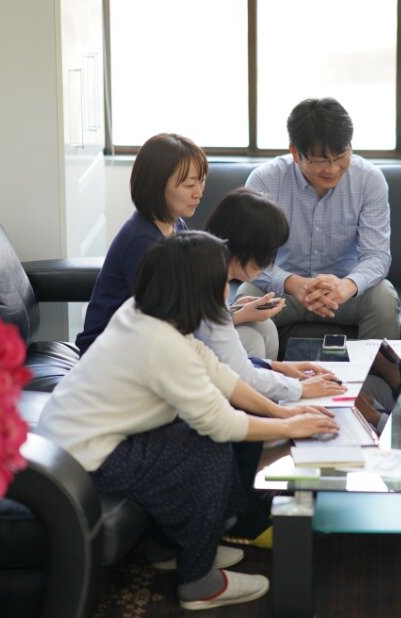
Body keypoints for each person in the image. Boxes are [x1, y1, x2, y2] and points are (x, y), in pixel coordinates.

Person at [38, 231, 339, 611]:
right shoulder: (159, 342)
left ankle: (170, 548)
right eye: (220, 281)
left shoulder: (145, 312)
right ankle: (199, 582)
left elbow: (215, 370)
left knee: (199, 436)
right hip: (84, 460)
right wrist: (290, 428)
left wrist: (283, 412)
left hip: (80, 441)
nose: (226, 288)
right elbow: (221, 423)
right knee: (209, 448)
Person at [200, 188, 347, 547]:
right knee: (253, 402)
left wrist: (282, 368)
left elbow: (217, 354)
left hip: (199, 375)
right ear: (247, 246)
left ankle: (250, 504)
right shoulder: (208, 282)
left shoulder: (208, 268)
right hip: (187, 395)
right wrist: (297, 395)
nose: (269, 262)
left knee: (267, 394)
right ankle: (242, 521)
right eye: (267, 252)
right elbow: (235, 374)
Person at [75, 133, 280, 358]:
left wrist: (234, 311)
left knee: (264, 328)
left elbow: (185, 306)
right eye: (189, 184)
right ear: (156, 186)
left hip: (155, 337)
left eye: (202, 181)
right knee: (249, 341)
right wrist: (237, 316)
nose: (199, 193)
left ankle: (260, 379)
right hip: (112, 350)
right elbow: (170, 325)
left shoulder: (175, 225)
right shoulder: (141, 242)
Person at [236, 97, 400, 345]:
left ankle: (376, 372)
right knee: (247, 296)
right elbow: (251, 258)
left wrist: (347, 285)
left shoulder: (369, 180)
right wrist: (293, 284)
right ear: (295, 153)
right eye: (320, 160)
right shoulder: (264, 181)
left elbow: (376, 255)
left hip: (343, 292)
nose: (332, 169)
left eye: (340, 156)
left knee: (384, 298)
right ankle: (258, 371)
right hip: (285, 291)